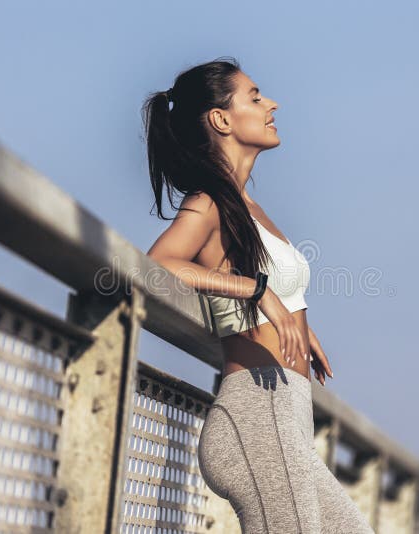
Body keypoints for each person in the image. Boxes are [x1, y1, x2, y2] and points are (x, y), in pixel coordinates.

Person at [143, 58, 375, 533]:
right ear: (221, 119)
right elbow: (158, 265)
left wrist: (298, 323)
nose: (272, 104)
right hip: (255, 414)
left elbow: (274, 278)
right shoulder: (207, 201)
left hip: (286, 419)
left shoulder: (249, 208)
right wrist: (257, 291)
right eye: (254, 96)